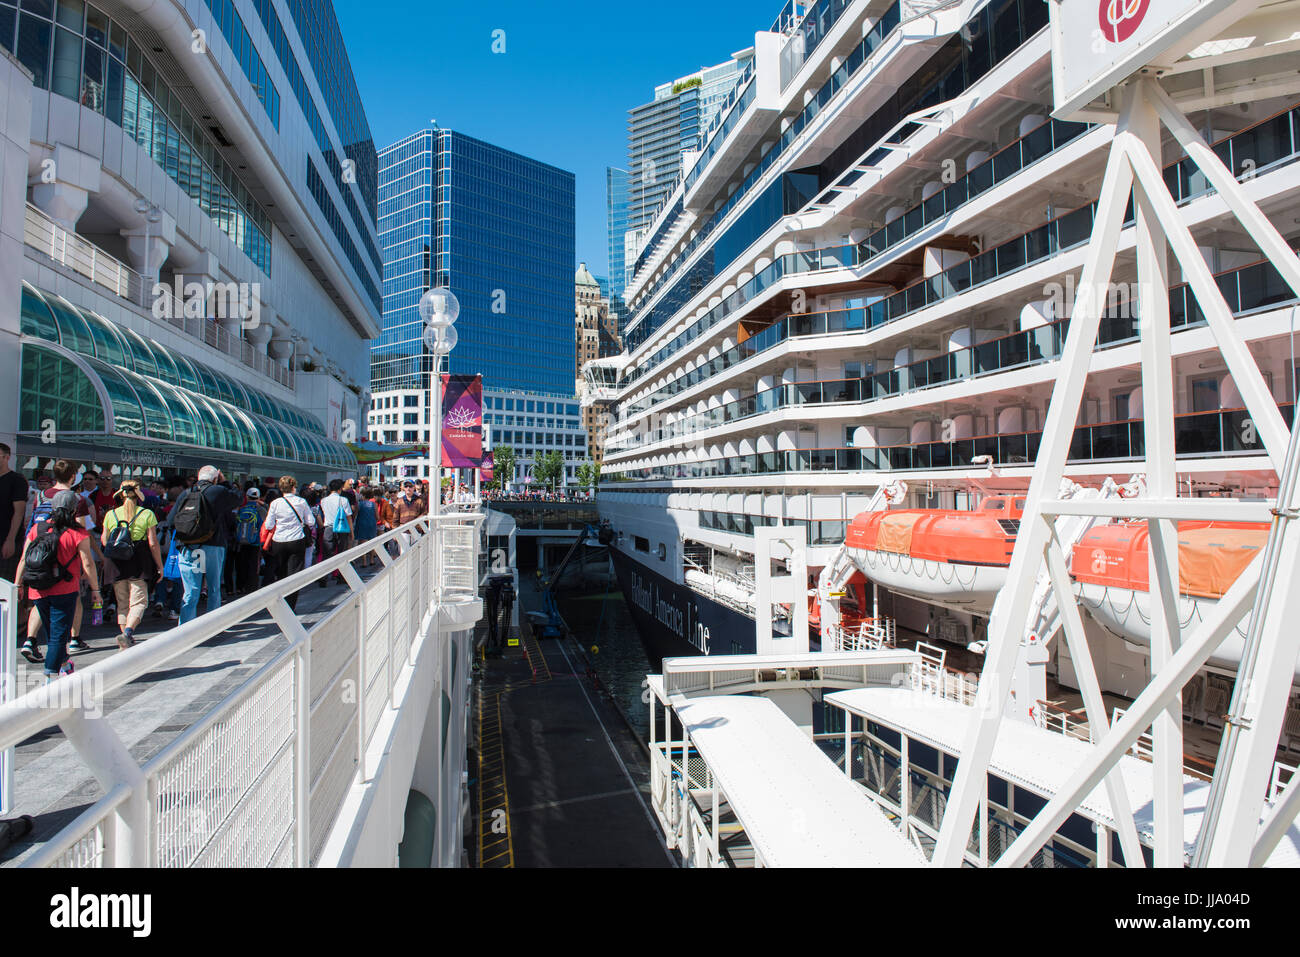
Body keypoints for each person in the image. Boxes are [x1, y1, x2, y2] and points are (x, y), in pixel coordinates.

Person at [15, 490, 100, 680]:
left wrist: (18, 584)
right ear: (74, 510)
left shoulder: (37, 529)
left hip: (38, 588)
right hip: (65, 590)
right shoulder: (78, 533)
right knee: (58, 636)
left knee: (52, 633)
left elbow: (23, 559)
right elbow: (88, 564)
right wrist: (95, 590)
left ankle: (64, 663)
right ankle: (50, 677)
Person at [173, 466, 241, 624]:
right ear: (215, 478)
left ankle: (186, 626)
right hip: (213, 544)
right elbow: (238, 498)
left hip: (188, 545)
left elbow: (172, 519)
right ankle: (212, 625)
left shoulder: (186, 493)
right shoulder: (217, 491)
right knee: (213, 587)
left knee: (191, 591)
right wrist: (225, 482)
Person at [100, 480, 163, 649]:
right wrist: (159, 565)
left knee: (122, 602)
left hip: (116, 562)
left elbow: (104, 540)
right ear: (138, 494)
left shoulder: (111, 514)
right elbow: (153, 543)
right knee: (139, 601)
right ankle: (128, 632)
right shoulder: (147, 514)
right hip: (138, 560)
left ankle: (125, 639)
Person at [263, 476, 316, 612]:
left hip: (278, 541)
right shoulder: (301, 501)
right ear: (293, 487)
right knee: (294, 574)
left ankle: (281, 602)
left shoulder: (275, 503)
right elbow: (311, 521)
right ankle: (290, 606)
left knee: (281, 573)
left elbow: (269, 524)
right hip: (296, 540)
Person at [0, 442, 30, 584]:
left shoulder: (17, 480)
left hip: (7, 539)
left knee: (5, 584)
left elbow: (19, 512)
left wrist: (10, 539)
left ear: (7, 457)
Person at [231, 486, 267, 595]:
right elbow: (265, 525)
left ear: (247, 497)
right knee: (253, 565)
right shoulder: (261, 510)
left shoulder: (241, 509)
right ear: (259, 497)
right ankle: (251, 587)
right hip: (255, 542)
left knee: (241, 564)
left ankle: (240, 586)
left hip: (241, 541)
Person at [318, 479, 353, 583]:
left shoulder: (323, 501)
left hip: (328, 528)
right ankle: (341, 577)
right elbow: (348, 517)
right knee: (342, 553)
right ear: (340, 489)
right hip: (341, 528)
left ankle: (323, 577)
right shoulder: (343, 500)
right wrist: (351, 531)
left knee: (327, 553)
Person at [354, 488, 379, 568]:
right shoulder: (374, 504)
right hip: (372, 524)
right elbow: (377, 517)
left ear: (363, 495)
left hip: (361, 524)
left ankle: (364, 562)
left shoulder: (359, 504)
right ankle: (372, 560)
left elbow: (355, 515)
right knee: (372, 542)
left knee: (363, 543)